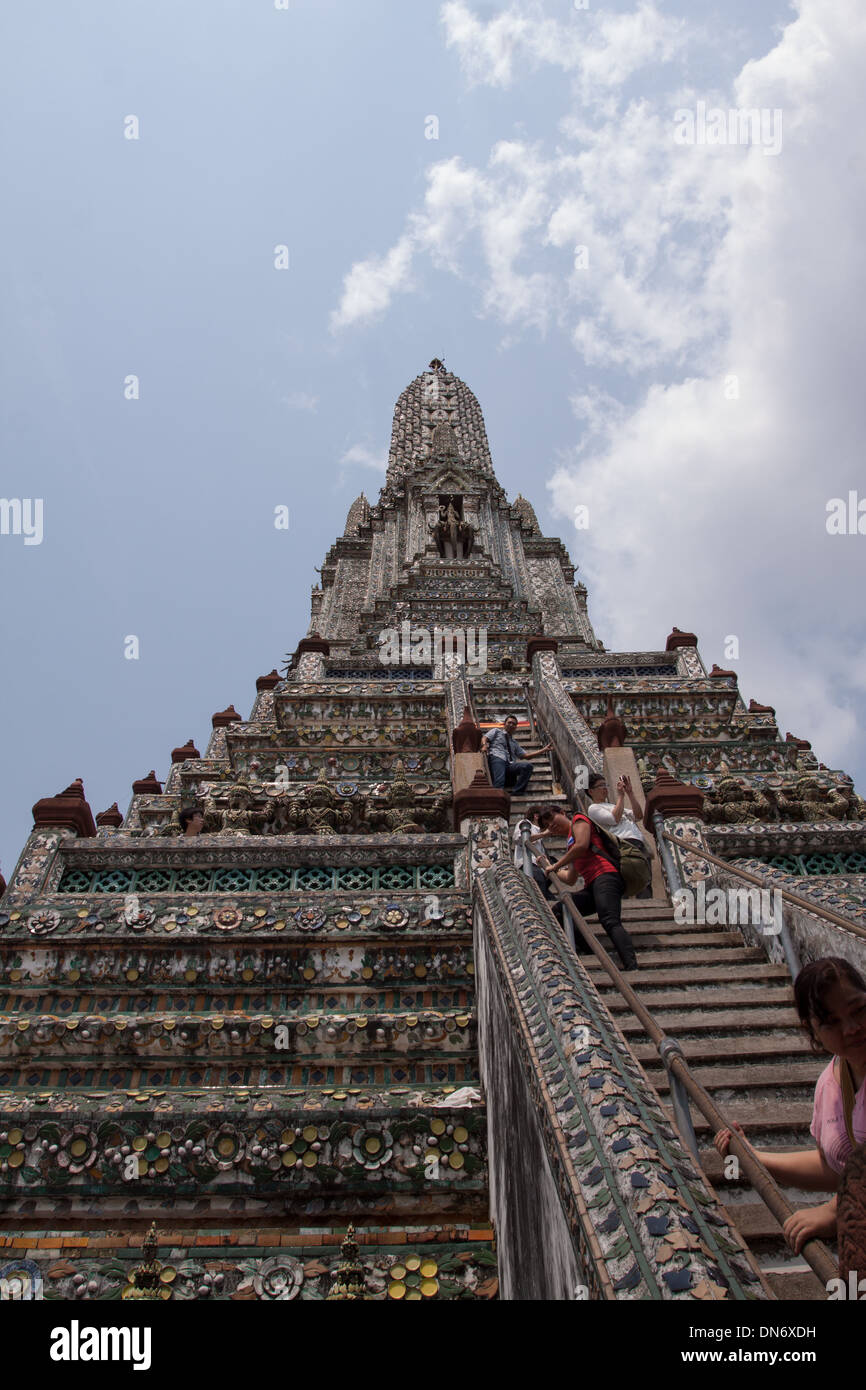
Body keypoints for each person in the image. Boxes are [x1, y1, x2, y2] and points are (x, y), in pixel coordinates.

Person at [714, 956, 866, 1253]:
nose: (851, 1028)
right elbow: (835, 1166)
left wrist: (834, 1211)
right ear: (812, 1031)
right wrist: (755, 1159)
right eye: (832, 1022)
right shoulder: (831, 1084)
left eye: (859, 1010)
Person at [534, 803, 638, 971]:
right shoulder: (570, 845)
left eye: (551, 819)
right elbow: (570, 879)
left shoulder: (579, 819)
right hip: (593, 886)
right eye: (547, 826)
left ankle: (631, 966)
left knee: (610, 920)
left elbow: (582, 845)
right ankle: (593, 951)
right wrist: (547, 866)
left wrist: (555, 865)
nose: (551, 826)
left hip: (606, 876)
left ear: (562, 812)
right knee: (561, 909)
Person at [585, 772, 654, 898]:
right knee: (626, 876)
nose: (605, 788)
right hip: (623, 843)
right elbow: (614, 818)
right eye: (600, 786)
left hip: (638, 842)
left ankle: (647, 901)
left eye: (605, 785)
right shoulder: (594, 808)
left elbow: (638, 815)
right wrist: (620, 796)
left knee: (645, 878)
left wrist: (630, 793)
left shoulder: (613, 806)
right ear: (591, 791)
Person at [483, 715, 551, 795]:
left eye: (514, 724)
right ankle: (497, 797)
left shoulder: (514, 743)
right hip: (497, 758)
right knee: (499, 780)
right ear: (504, 724)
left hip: (509, 765)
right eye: (509, 722)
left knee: (527, 766)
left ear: (516, 727)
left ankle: (517, 792)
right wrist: (484, 745)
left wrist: (544, 749)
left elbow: (526, 756)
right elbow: (484, 737)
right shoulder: (496, 731)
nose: (511, 725)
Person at [512, 805, 547, 871]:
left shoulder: (538, 831)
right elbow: (519, 839)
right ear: (536, 816)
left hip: (539, 867)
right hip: (527, 864)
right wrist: (543, 834)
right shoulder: (525, 823)